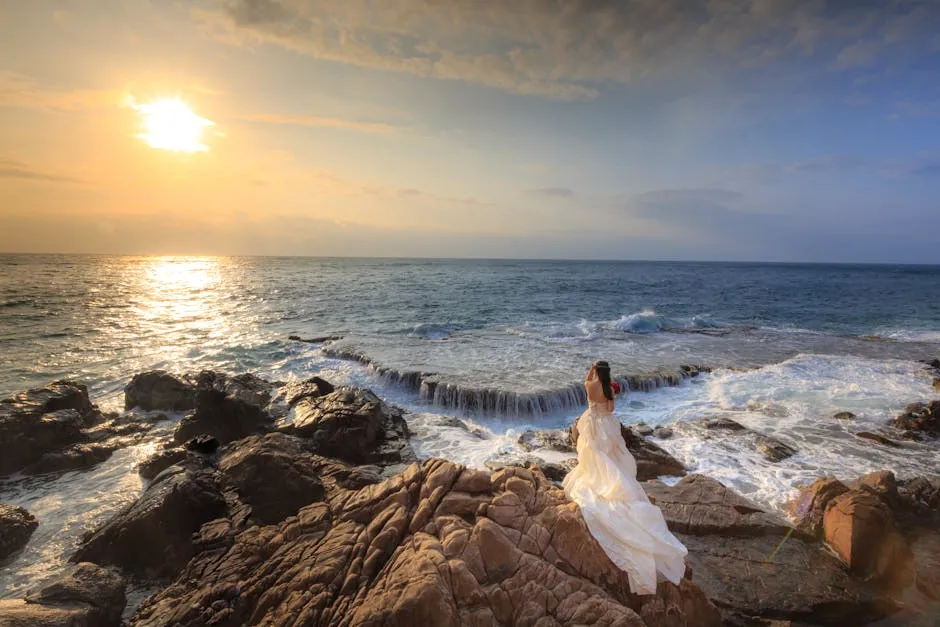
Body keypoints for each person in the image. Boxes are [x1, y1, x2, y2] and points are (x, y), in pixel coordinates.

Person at [563, 360, 687, 595]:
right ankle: (612, 484)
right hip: (607, 425)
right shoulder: (610, 390)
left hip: (590, 423)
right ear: (607, 374)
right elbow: (610, 411)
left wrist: (592, 369)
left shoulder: (590, 385)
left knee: (593, 458)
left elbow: (587, 381)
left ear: (595, 372)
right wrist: (608, 385)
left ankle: (599, 481)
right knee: (611, 459)